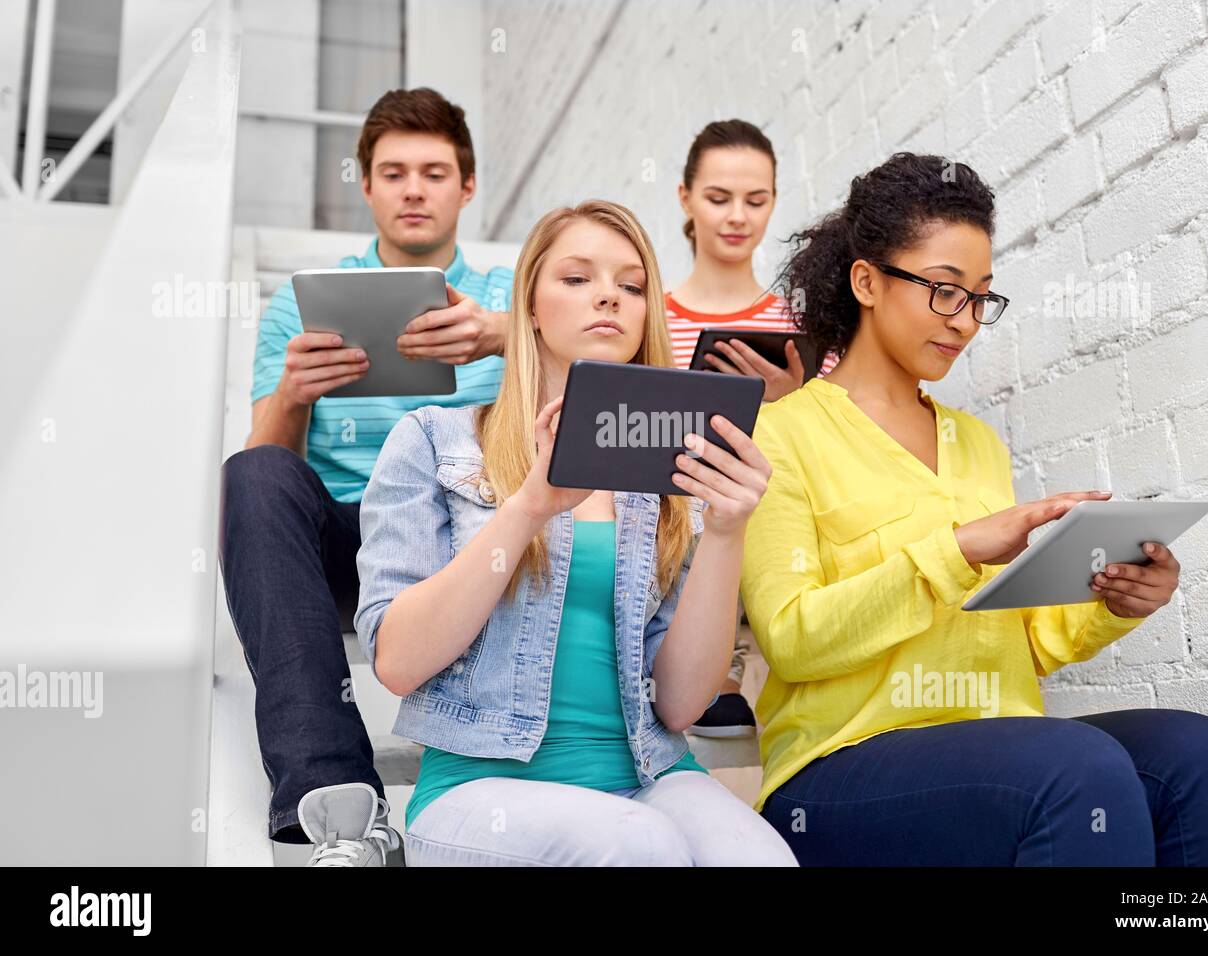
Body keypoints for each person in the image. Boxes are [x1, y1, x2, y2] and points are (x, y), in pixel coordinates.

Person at [740, 151, 1208, 866]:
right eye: (944, 290)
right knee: (1076, 772)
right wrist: (957, 549)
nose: (965, 321)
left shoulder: (975, 443)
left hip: (999, 745)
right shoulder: (781, 433)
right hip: (841, 768)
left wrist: (1116, 604)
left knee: (1207, 758)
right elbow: (790, 639)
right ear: (867, 281)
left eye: (980, 298)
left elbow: (1020, 644)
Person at [354, 199, 798, 866]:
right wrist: (528, 507)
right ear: (529, 305)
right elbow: (395, 660)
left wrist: (728, 531)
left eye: (631, 285)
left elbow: (678, 705)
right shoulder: (432, 441)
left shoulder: (670, 474)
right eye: (577, 278)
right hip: (483, 788)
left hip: (649, 775)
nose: (609, 299)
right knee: (636, 846)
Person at [218, 87, 513, 866]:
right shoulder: (299, 306)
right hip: (347, 541)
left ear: (467, 185)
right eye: (393, 173)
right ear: (369, 184)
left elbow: (593, 388)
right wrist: (293, 394)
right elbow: (268, 454)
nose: (414, 189)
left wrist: (501, 336)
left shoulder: (514, 302)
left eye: (434, 172)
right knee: (252, 473)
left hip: (470, 539)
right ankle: (336, 800)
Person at [666, 119, 836, 738]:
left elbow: (840, 444)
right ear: (685, 199)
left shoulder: (801, 327)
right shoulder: (644, 316)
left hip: (769, 509)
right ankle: (706, 666)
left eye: (756, 200)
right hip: (673, 506)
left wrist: (791, 402)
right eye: (718, 198)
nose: (738, 216)